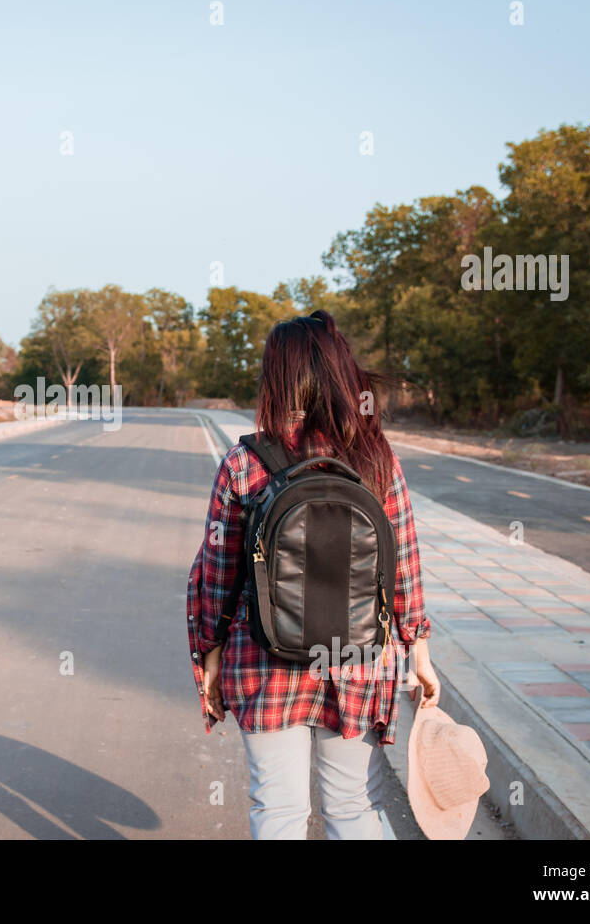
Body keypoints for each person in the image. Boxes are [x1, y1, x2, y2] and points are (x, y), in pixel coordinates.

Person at [186, 311, 440, 840]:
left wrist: (208, 654)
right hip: (360, 659)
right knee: (354, 806)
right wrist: (418, 653)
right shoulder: (375, 457)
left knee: (278, 810)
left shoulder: (246, 461)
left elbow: (216, 573)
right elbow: (404, 565)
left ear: (276, 378)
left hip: (264, 659)